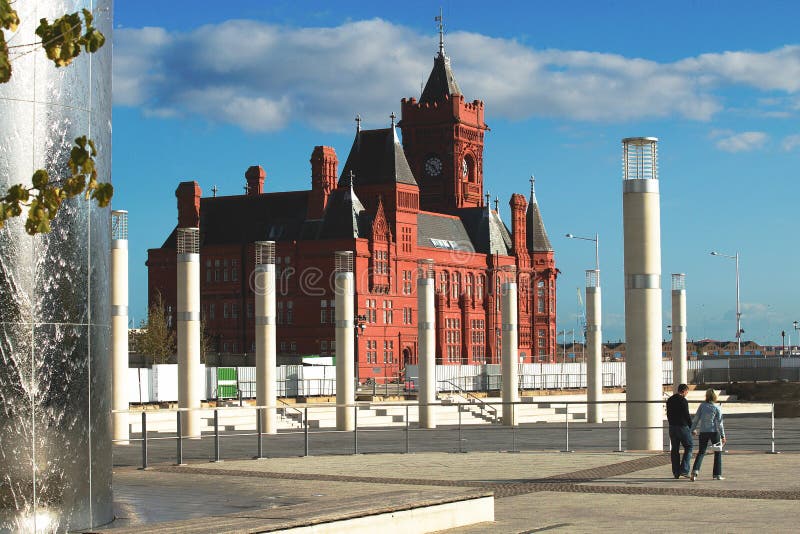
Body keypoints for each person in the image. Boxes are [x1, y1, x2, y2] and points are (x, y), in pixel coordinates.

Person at [690, 388, 727, 481]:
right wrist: (723, 435)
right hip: (714, 432)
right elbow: (720, 423)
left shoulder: (702, 406)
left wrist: (692, 429)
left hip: (703, 432)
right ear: (715, 396)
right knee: (717, 452)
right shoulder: (717, 407)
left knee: (701, 452)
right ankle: (717, 474)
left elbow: (696, 419)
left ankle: (694, 472)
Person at [666, 383, 693, 479]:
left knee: (675, 450)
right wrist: (692, 427)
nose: (687, 394)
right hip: (682, 427)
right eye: (687, 392)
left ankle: (676, 472)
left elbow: (668, 414)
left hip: (672, 427)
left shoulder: (670, 400)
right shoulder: (683, 400)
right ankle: (684, 470)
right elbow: (687, 415)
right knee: (689, 446)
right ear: (684, 391)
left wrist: (671, 423)